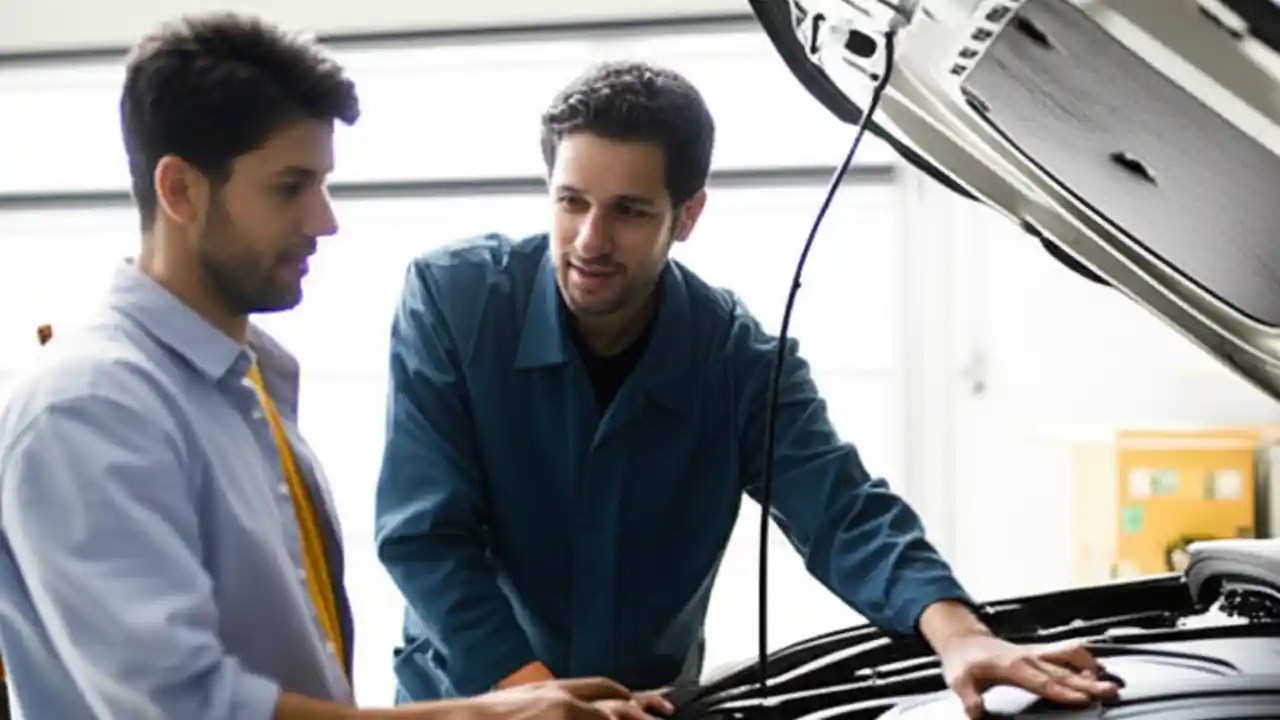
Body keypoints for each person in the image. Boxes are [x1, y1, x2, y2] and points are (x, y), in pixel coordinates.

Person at [373, 60, 1121, 719]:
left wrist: (959, 635)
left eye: (629, 211)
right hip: (470, 704)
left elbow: (843, 510)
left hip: (640, 708)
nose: (590, 241)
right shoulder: (453, 301)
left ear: (687, 215)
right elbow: (424, 536)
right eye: (571, 202)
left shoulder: (736, 358)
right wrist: (532, 695)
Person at [0, 14, 663, 720]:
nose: (325, 219)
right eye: (291, 187)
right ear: (180, 191)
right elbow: (185, 708)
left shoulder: (241, 385)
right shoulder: (88, 408)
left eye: (322, 183)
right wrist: (484, 715)